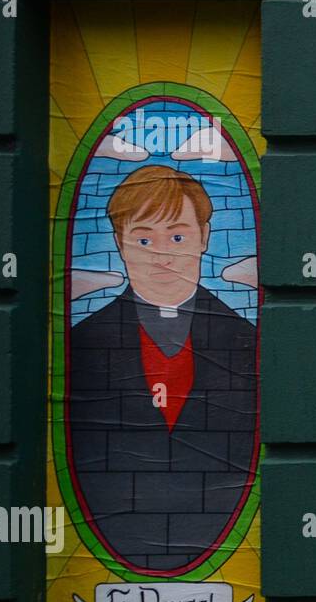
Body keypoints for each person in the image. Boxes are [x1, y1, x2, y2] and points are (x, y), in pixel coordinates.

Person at [69, 165, 257, 574]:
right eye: (142, 238)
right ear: (119, 244)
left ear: (204, 238)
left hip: (219, 541)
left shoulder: (248, 343)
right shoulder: (82, 345)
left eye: (176, 236)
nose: (161, 253)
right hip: (116, 543)